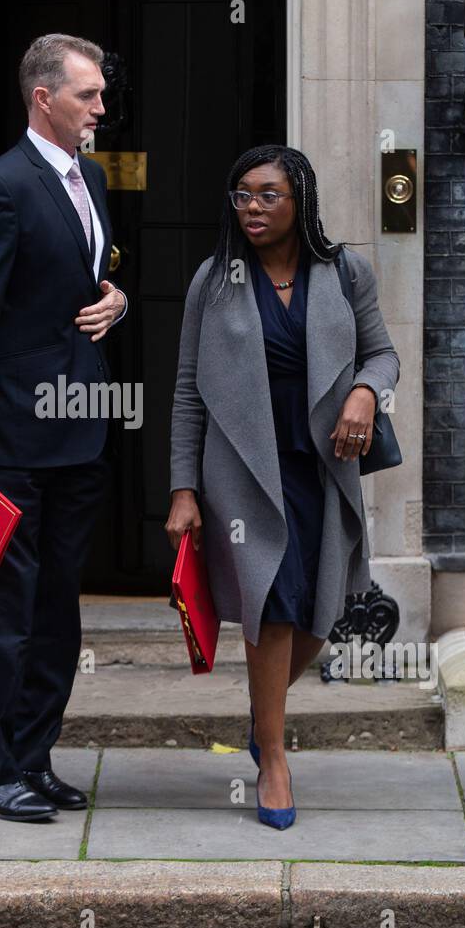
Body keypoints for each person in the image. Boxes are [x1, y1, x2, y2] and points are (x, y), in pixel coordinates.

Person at [165, 145, 399, 830]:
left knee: (320, 613)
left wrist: (364, 390)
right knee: (271, 604)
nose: (253, 208)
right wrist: (183, 489)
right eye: (242, 195)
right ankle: (273, 756)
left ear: (300, 199)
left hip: (321, 464)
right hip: (243, 471)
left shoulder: (344, 270)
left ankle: (260, 715)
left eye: (268, 194)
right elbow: (187, 392)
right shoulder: (214, 281)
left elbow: (383, 352)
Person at [0, 34, 128, 823]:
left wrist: (114, 296)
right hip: (10, 440)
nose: (101, 107)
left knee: (58, 611)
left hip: (78, 429)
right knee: (6, 613)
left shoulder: (92, 176)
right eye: (88, 94)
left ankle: (36, 757)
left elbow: (83, 274)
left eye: (101, 93)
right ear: (43, 98)